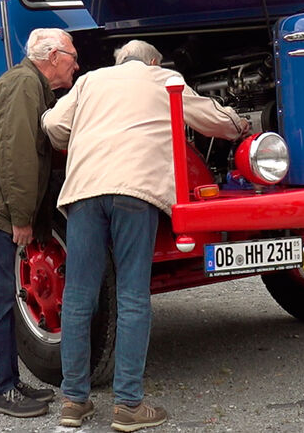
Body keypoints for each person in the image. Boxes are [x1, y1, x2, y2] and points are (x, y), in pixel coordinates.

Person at [42, 40, 248, 431]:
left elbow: (53, 124)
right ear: (152, 61)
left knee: (79, 296)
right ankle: (128, 406)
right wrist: (241, 124)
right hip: (136, 193)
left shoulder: (89, 81)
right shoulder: (163, 77)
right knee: (133, 296)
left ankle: (73, 402)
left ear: (119, 61)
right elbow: (210, 119)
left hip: (85, 192)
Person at [0, 27, 80, 418]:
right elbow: (18, 156)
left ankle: (7, 381)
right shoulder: (25, 85)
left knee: (3, 297)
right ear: (54, 57)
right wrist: (22, 218)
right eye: (72, 56)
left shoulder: (28, 83)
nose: (76, 64)